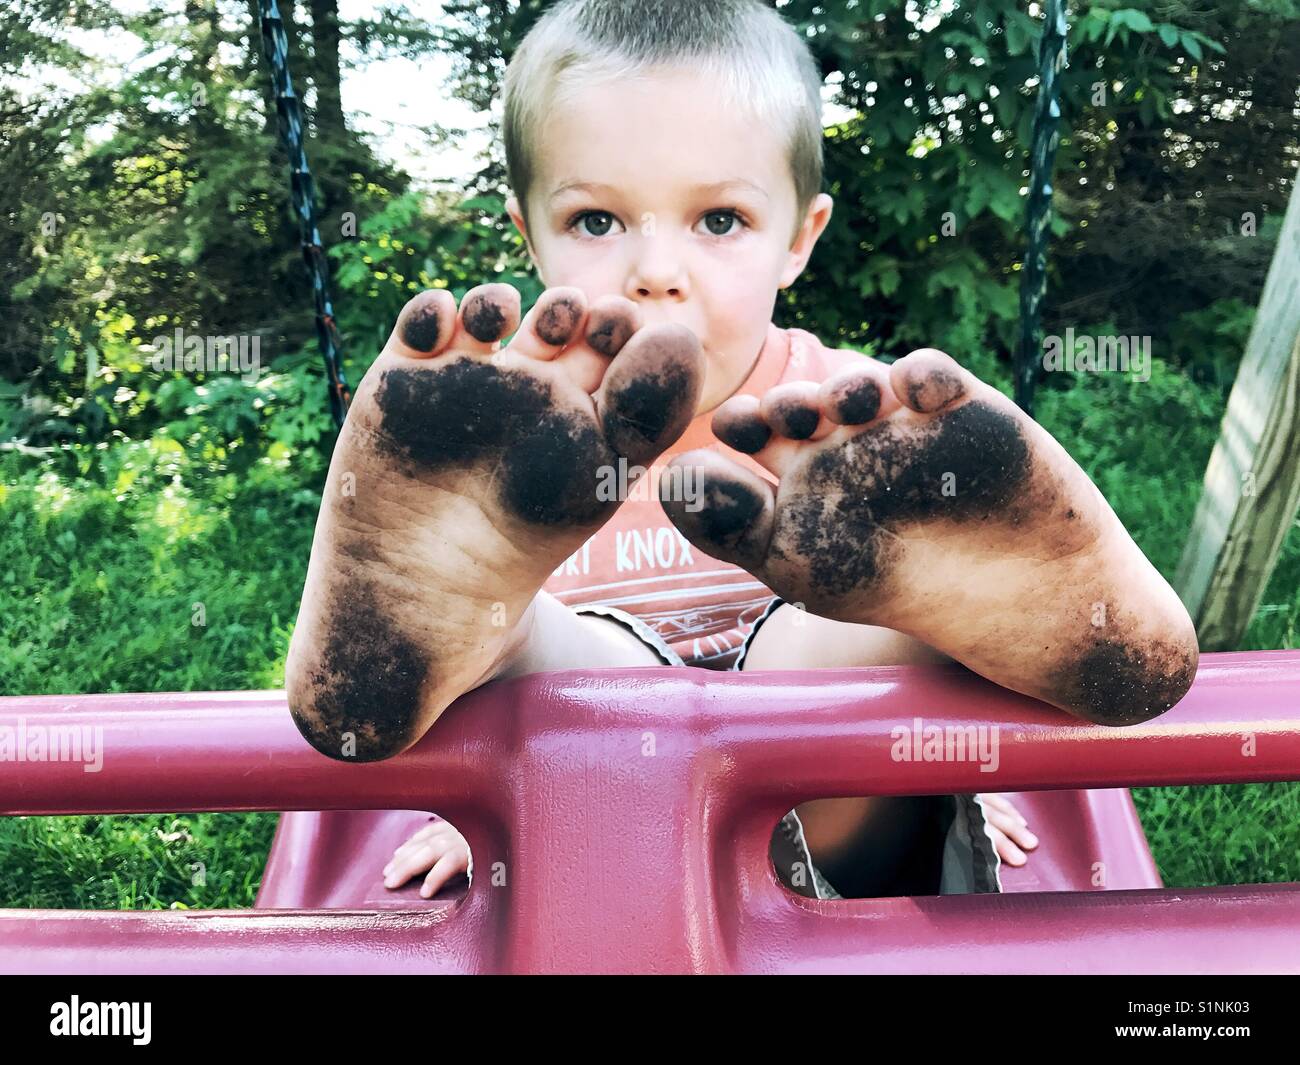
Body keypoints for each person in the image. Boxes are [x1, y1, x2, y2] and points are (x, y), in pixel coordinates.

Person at [286, 0, 1197, 901]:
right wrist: (470, 801)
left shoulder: (850, 426)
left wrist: (947, 759)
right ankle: (459, 633)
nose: (657, 268)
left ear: (799, 239)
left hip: (824, 806)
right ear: (528, 233)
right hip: (599, 801)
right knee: (536, 650)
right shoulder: (518, 434)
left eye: (718, 219)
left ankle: (982, 642)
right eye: (597, 221)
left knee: (849, 639)